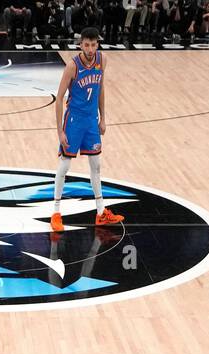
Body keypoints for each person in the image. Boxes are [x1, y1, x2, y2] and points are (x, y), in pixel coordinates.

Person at [51, 29, 124, 234]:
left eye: (93, 45)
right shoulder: (72, 66)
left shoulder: (103, 60)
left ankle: (101, 212)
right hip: (73, 121)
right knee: (64, 166)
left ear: (97, 44)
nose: (90, 49)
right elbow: (59, 99)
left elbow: (100, 88)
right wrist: (60, 131)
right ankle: (56, 212)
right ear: (80, 45)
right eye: (86, 45)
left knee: (96, 165)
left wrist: (103, 117)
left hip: (92, 121)